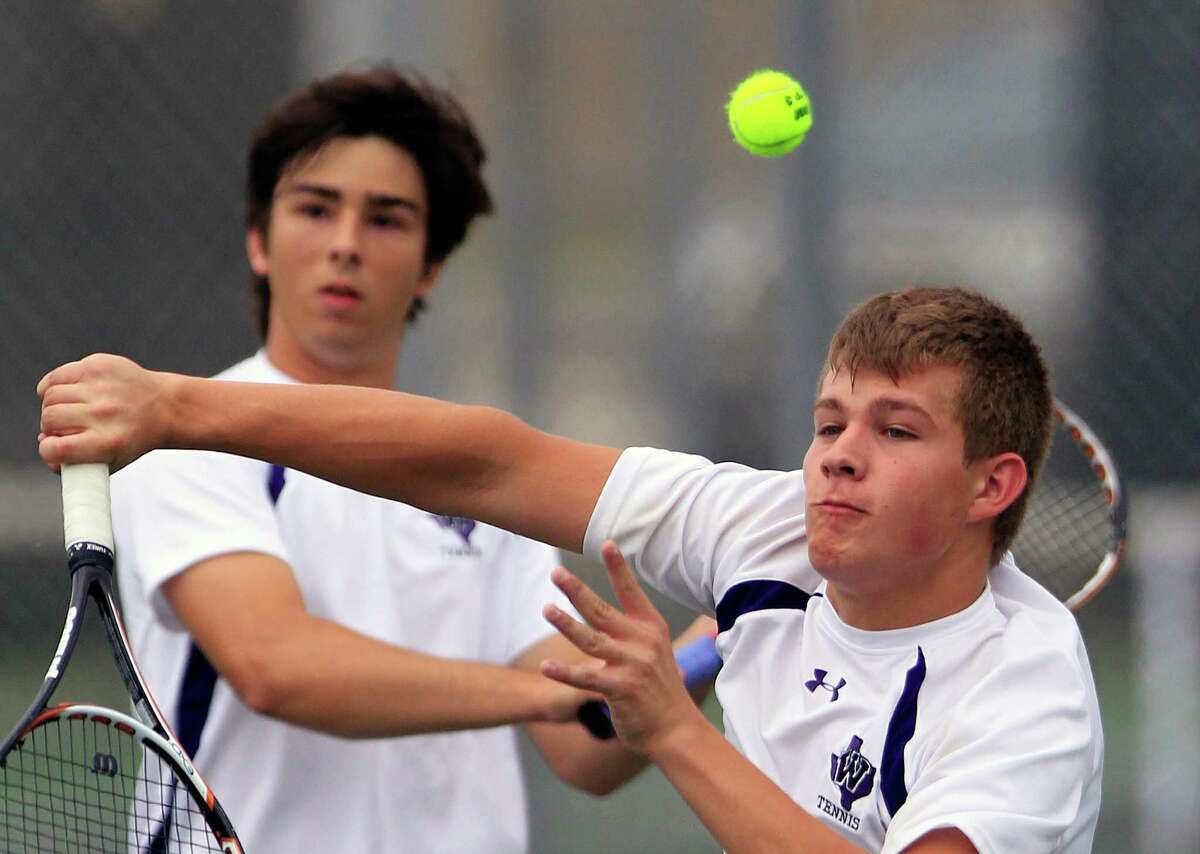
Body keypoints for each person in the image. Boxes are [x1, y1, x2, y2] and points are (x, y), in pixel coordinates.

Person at [38, 285, 1104, 854]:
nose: (839, 451)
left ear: (990, 485)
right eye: (829, 419)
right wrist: (180, 408)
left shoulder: (1028, 688)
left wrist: (674, 729)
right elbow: (490, 460)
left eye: (897, 428)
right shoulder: (766, 526)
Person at [54, 66, 713, 854]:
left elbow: (586, 746)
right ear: (259, 242)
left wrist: (719, 636)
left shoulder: (474, 470)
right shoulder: (184, 434)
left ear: (431, 266)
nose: (345, 244)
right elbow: (278, 666)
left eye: (387, 219)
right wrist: (542, 695)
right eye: (316, 208)